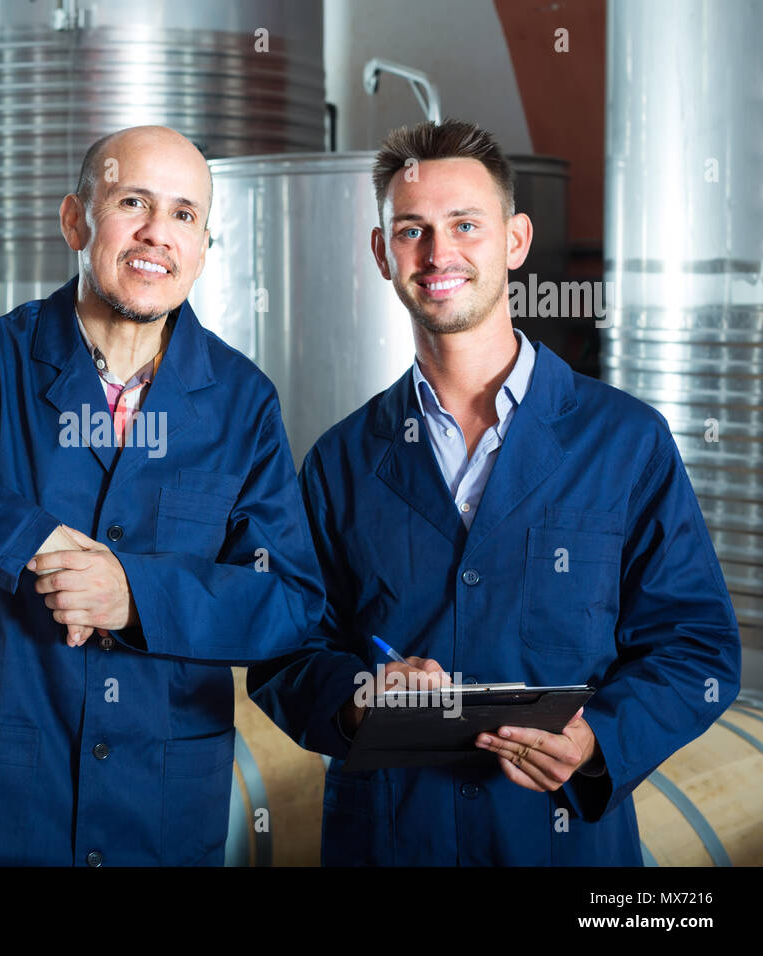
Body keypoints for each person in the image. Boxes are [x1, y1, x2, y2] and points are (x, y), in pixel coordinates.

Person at [0, 125, 324, 866]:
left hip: (163, 818)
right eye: (132, 201)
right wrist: (25, 534)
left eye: (183, 215)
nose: (156, 234)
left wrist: (136, 595)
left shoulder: (241, 403)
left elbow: (291, 602)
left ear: (203, 246)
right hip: (3, 805)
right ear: (76, 220)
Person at [248, 120, 741, 866]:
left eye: (465, 225)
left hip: (559, 839)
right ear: (383, 254)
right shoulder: (341, 459)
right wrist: (357, 693)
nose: (439, 253)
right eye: (412, 230)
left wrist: (599, 737)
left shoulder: (625, 442)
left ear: (514, 242)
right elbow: (284, 653)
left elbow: (697, 647)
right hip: (391, 839)